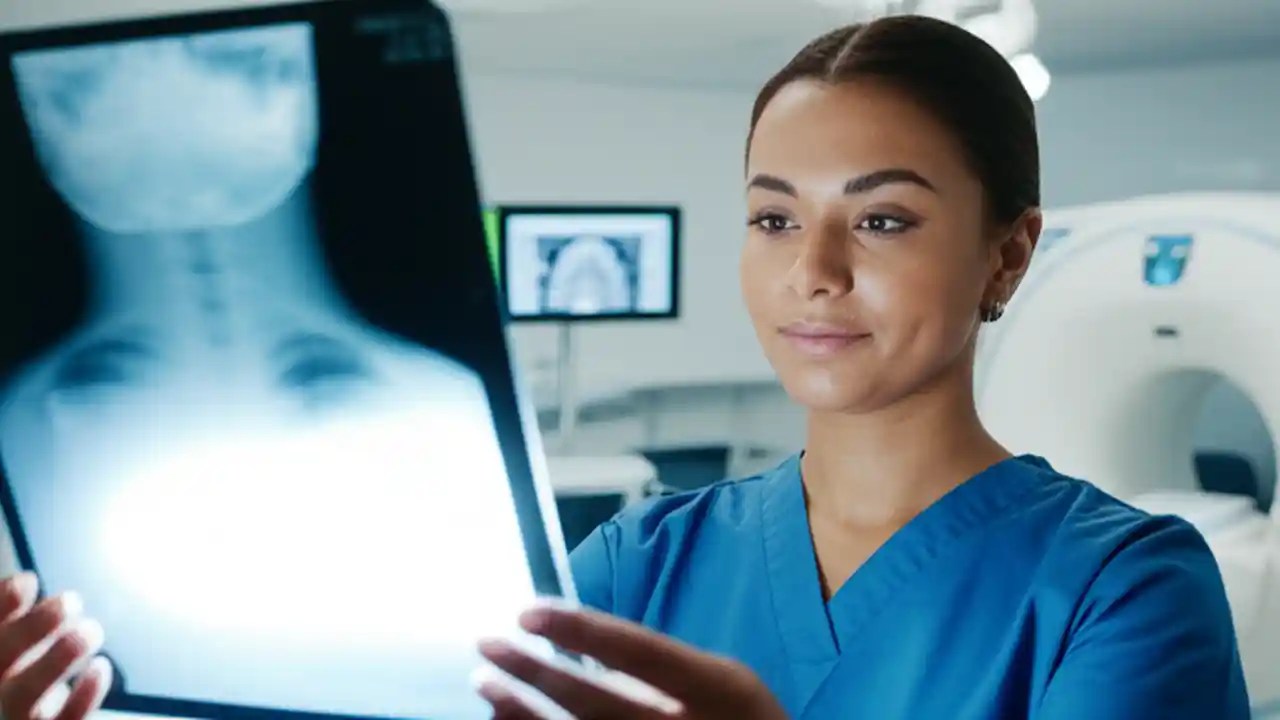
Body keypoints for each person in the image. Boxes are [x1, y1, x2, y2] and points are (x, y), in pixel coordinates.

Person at [0, 14, 1250, 720]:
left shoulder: (1121, 588)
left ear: (1005, 252)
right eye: (772, 217)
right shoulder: (637, 563)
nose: (811, 271)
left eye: (880, 219)